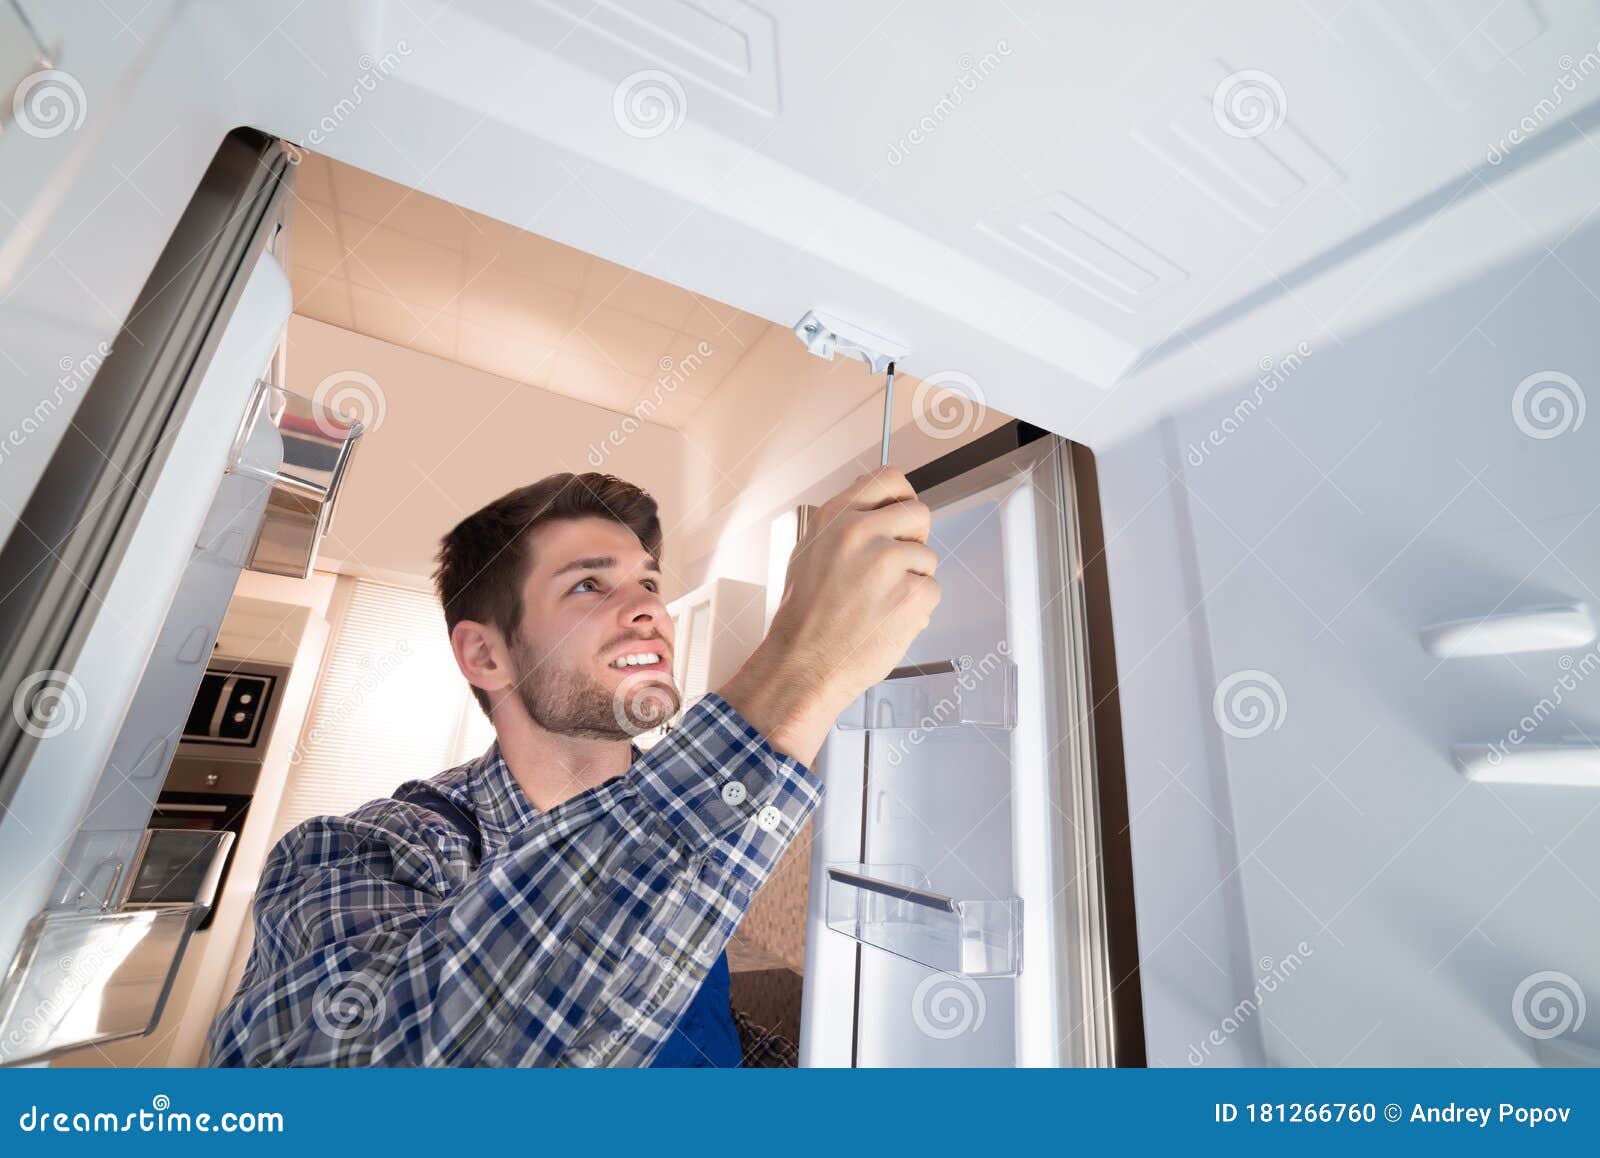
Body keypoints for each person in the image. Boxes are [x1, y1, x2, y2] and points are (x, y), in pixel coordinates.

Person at [207, 466, 938, 1066]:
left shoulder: (698, 837)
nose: (648, 608)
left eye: (648, 582)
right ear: (486, 654)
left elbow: (696, 1039)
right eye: (589, 585)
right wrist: (796, 673)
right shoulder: (367, 853)